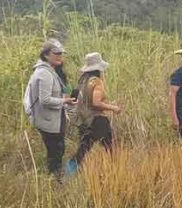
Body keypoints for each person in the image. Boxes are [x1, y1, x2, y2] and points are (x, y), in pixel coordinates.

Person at [26, 39, 75, 183]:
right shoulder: (44, 73)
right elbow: (45, 100)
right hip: (48, 121)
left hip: (53, 119)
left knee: (56, 150)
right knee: (56, 151)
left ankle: (54, 179)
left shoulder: (51, 71)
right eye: (56, 53)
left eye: (61, 53)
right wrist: (64, 101)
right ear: (46, 55)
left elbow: (59, 91)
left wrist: (67, 98)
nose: (60, 56)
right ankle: (54, 181)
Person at [72, 52, 122, 166]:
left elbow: (80, 100)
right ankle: (115, 169)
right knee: (110, 148)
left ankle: (68, 173)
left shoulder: (82, 81)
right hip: (98, 120)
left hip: (84, 120)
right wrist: (114, 108)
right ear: (99, 68)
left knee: (82, 150)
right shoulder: (97, 82)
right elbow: (96, 103)